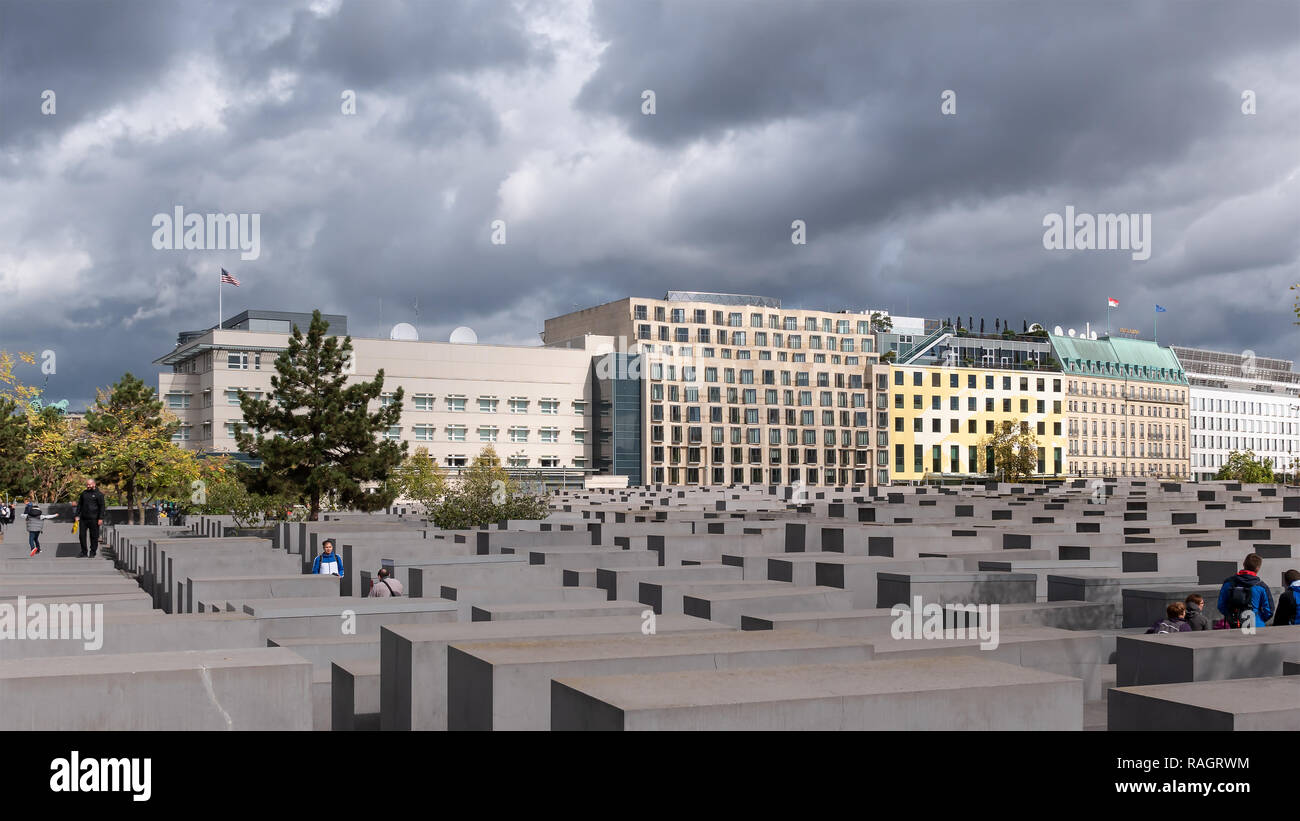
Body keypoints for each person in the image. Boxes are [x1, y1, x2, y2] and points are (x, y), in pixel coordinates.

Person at [1217, 553, 1274, 629]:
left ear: (1244, 564)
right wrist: (1258, 619)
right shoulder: (1261, 586)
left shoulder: (1228, 583)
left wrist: (1231, 616)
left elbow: (1221, 605)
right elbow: (1269, 611)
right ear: (1257, 568)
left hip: (1234, 625)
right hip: (1256, 626)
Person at [73, 478, 106, 558]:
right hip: (83, 519)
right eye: (87, 484)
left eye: (89, 484)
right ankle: (84, 552)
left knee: (94, 536)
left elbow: (102, 507)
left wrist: (100, 518)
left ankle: (93, 552)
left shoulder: (99, 494)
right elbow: (79, 505)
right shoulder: (84, 493)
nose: (88, 486)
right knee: (82, 536)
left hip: (94, 519)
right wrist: (77, 515)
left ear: (94, 484)